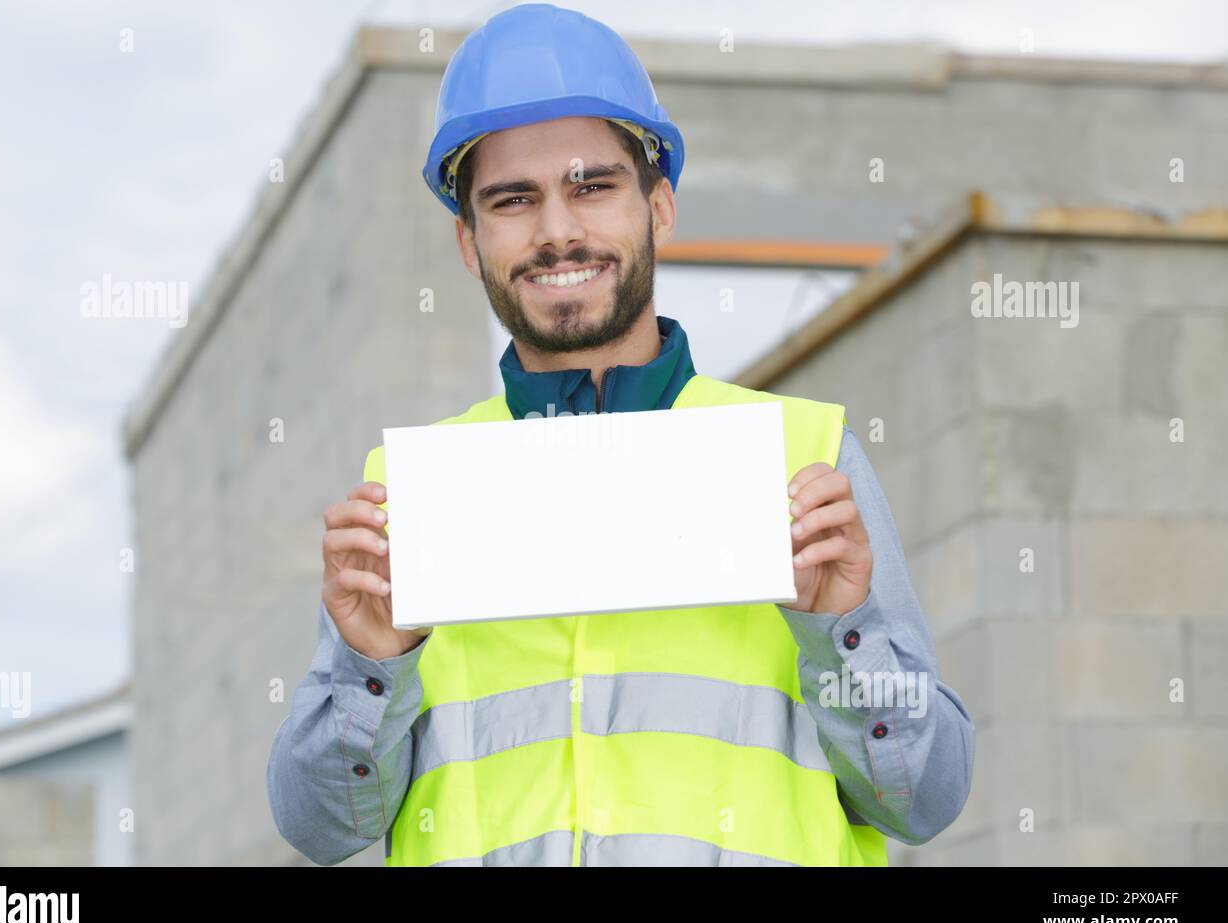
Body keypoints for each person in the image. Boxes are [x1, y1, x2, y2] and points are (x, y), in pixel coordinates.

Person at [267, 2, 973, 867]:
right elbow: (320, 828)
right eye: (513, 199)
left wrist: (846, 633)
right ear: (468, 240)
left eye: (592, 185)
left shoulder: (804, 461)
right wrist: (370, 662)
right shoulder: (412, 496)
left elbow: (926, 799)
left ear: (661, 207)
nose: (558, 230)